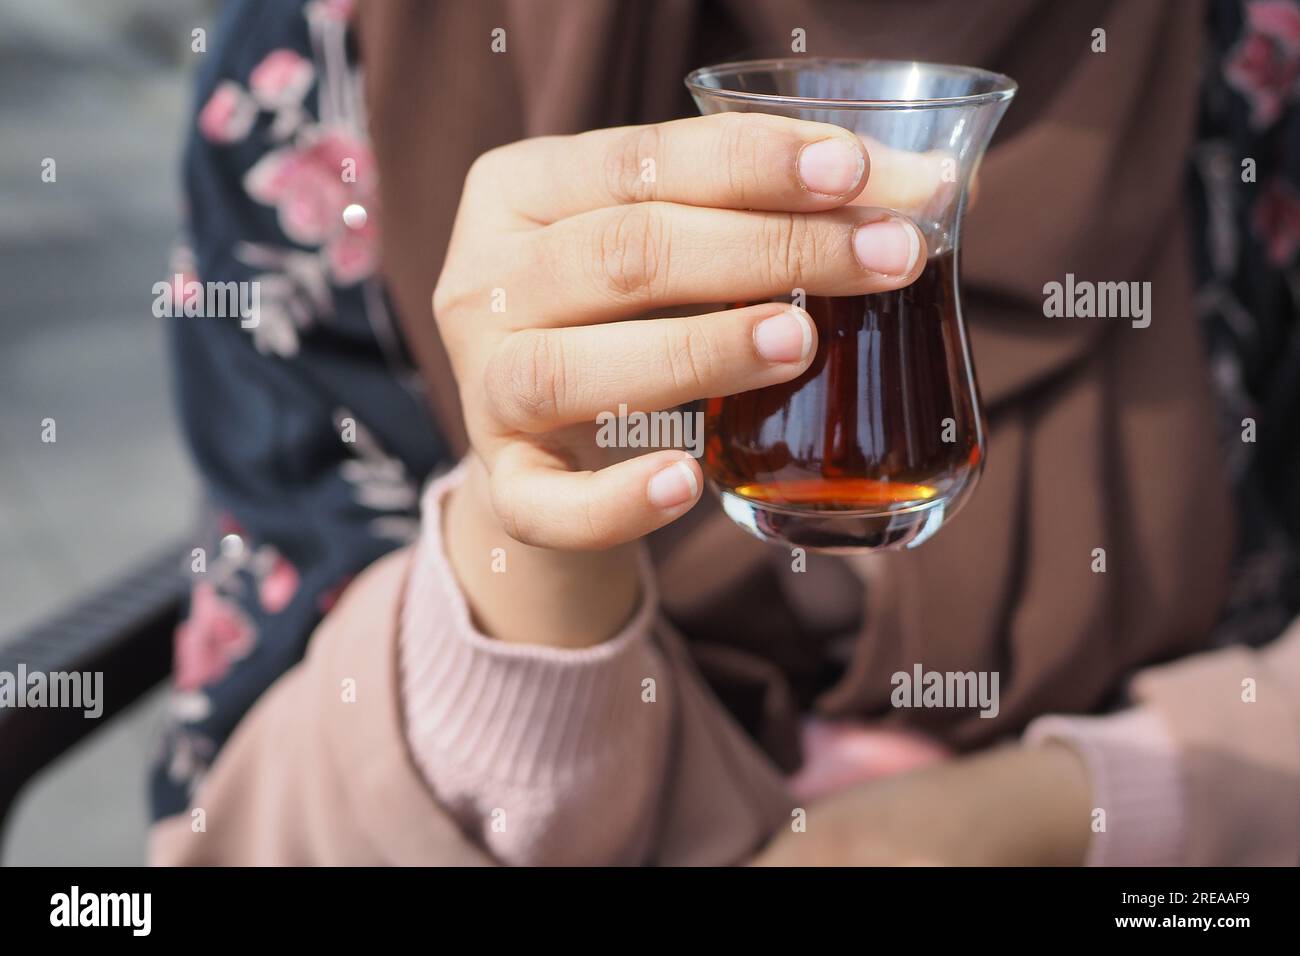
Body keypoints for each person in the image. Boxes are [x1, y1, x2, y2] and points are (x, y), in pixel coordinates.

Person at [151, 0, 1300, 865]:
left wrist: (1059, 804)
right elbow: (260, 799)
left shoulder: (1254, 62)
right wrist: (535, 556)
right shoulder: (311, 80)